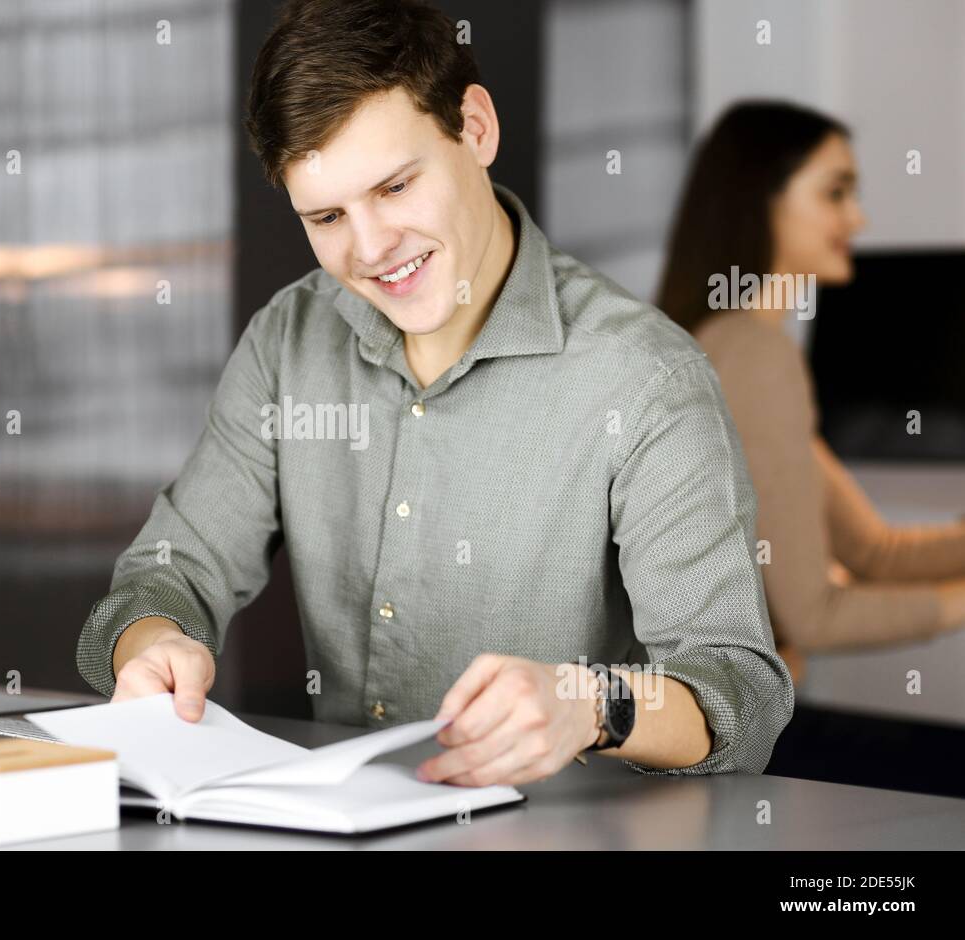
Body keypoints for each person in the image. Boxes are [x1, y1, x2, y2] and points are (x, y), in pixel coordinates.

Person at [76, 0, 794, 788]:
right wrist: (152, 647)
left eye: (394, 186)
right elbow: (172, 568)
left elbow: (741, 691)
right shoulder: (291, 340)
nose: (371, 248)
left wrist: (594, 704)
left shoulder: (646, 380)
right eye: (327, 216)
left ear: (475, 128)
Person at [656, 100, 965, 796]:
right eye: (835, 193)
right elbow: (812, 615)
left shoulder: (725, 342)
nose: (858, 220)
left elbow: (874, 551)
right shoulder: (756, 356)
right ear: (760, 199)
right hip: (733, 738)